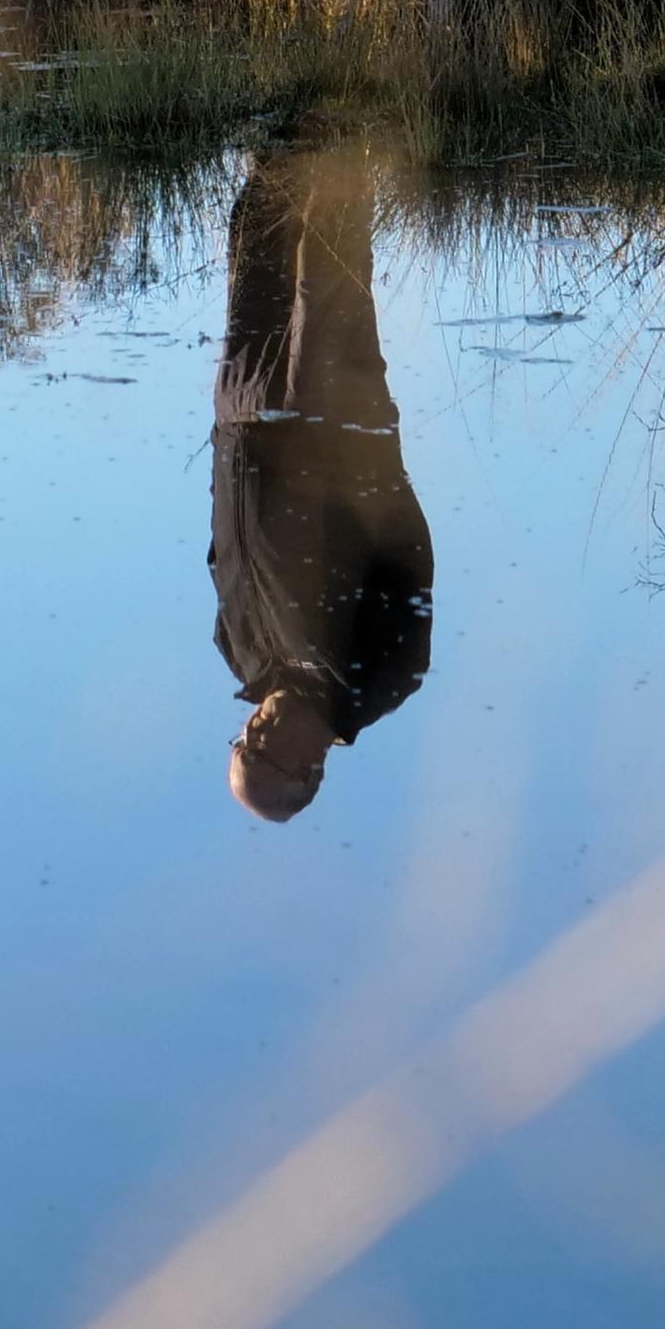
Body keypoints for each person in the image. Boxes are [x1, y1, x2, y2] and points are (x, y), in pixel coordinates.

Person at [208, 142, 433, 822]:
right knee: (327, 263)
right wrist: (359, 454)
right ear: (310, 770)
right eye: (266, 753)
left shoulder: (238, 654)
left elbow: (228, 552)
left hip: (244, 418)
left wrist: (229, 439)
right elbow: (408, 555)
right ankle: (348, 120)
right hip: (330, 420)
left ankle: (284, 123)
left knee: (255, 245)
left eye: (246, 743)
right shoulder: (382, 681)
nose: (258, 732)